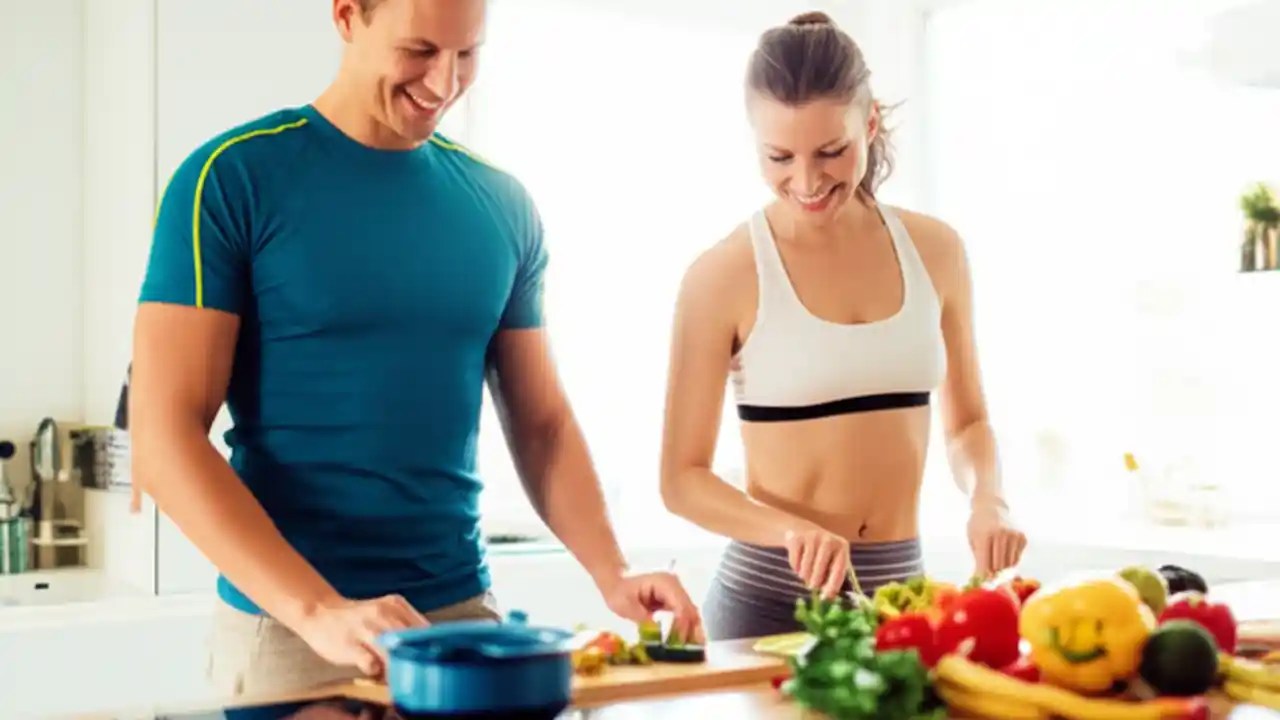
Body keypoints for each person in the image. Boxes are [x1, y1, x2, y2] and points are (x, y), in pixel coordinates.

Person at [129, 0, 701, 697]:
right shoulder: (229, 179)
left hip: (459, 624)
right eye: (420, 51)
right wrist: (319, 611)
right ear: (346, 16)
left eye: (468, 54)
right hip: (293, 631)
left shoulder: (501, 205)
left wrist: (612, 570)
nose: (444, 82)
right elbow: (164, 440)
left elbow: (542, 424)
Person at [658, 11, 1027, 641]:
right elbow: (681, 479)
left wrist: (987, 498)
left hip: (900, 601)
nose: (806, 181)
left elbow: (966, 424)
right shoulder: (721, 276)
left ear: (871, 122)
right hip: (766, 603)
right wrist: (789, 530)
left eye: (832, 151)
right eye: (778, 157)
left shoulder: (937, 251)